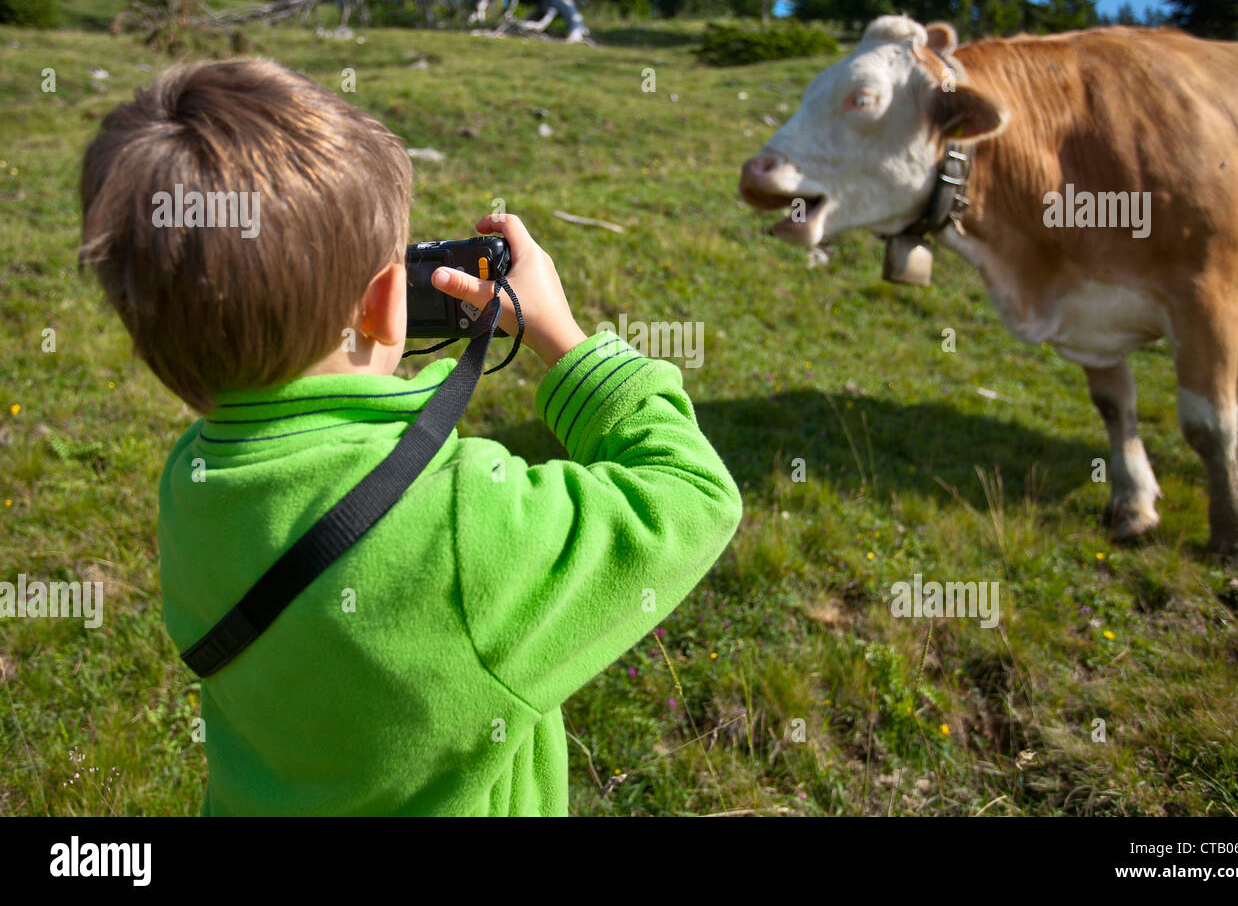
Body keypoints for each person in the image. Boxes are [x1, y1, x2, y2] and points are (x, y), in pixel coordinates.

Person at [78, 57, 743, 815]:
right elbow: (693, 494)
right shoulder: (466, 524)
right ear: (389, 301)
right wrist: (565, 339)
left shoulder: (192, 481)